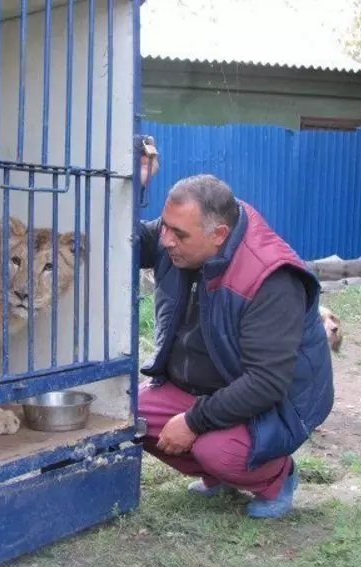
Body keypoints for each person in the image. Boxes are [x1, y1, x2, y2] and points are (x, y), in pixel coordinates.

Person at [133, 135, 334, 519]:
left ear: (218, 236)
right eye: (165, 227)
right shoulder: (180, 233)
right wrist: (133, 181)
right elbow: (129, 241)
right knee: (128, 417)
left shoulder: (270, 277)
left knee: (215, 449)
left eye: (178, 235)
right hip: (208, 387)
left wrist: (193, 422)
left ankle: (276, 475)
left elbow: (266, 383)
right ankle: (220, 471)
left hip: (275, 404)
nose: (165, 240)